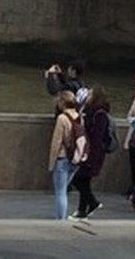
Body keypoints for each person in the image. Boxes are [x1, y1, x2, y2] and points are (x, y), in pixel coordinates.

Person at [72, 87, 112, 219]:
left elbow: (97, 138)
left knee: (78, 179)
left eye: (90, 94)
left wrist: (90, 157)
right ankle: (82, 210)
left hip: (92, 153)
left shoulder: (100, 115)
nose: (87, 95)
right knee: (85, 181)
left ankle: (93, 202)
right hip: (87, 151)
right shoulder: (89, 111)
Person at [48, 91, 81, 220]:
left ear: (62, 102)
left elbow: (56, 141)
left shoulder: (62, 118)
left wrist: (51, 162)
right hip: (75, 158)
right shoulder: (79, 116)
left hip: (63, 157)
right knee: (65, 189)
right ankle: (62, 216)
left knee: (60, 192)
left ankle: (60, 219)